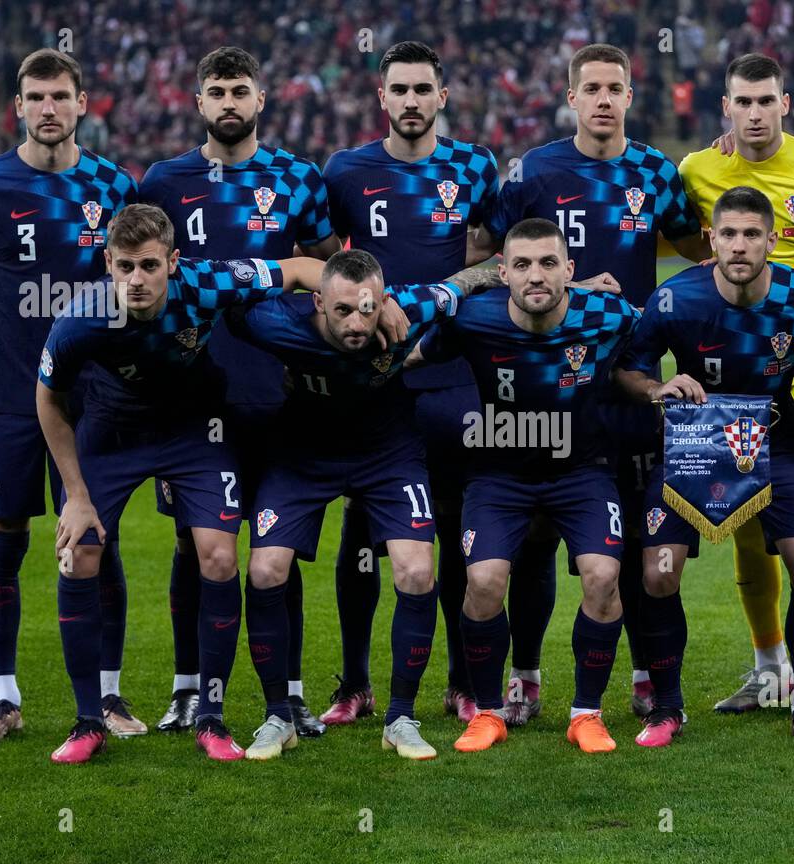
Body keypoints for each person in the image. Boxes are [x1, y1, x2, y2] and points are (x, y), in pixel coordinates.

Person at [36, 203, 336, 763]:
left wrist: (371, 297)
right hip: (113, 430)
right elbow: (48, 398)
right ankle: (87, 721)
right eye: (124, 266)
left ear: (174, 262)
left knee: (219, 558)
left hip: (196, 428)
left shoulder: (212, 282)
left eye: (149, 265)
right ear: (108, 263)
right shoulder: (83, 317)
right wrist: (76, 496)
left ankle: (212, 717)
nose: (136, 280)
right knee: (78, 554)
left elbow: (297, 269)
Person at [470, 43, 707, 723]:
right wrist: (557, 285)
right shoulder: (534, 172)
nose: (604, 99)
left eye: (615, 88)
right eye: (591, 88)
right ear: (570, 98)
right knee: (536, 535)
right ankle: (526, 675)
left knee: (633, 539)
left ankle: (640, 675)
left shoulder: (655, 172)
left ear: (631, 97)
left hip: (632, 377)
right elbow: (483, 257)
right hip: (546, 380)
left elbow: (699, 250)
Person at [0, 49, 138, 744]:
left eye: (60, 96)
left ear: (84, 105)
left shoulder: (116, 187)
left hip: (93, 401)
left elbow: (140, 288)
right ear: (17, 106)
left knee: (94, 540)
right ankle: (5, 698)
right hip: (9, 399)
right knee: (4, 539)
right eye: (35, 97)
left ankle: (109, 697)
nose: (48, 109)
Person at [230, 252, 506, 759]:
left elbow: (469, 280)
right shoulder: (273, 322)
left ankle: (401, 716)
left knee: (417, 571)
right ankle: (277, 716)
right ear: (317, 302)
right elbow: (220, 298)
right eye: (342, 313)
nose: (357, 324)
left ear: (385, 301)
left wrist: (582, 290)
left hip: (388, 454)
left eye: (368, 310)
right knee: (266, 570)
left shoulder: (410, 310)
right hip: (302, 456)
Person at [138, 46, 340, 737]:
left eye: (240, 91)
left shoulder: (298, 179)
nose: (229, 102)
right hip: (193, 398)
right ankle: (189, 688)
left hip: (283, 394)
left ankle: (289, 693)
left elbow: (326, 268)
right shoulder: (164, 181)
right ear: (198, 102)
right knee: (197, 548)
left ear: (262, 101)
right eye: (216, 91)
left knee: (276, 551)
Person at [319, 41, 504, 728]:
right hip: (369, 381)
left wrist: (453, 285)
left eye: (423, 89)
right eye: (399, 89)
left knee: (454, 526)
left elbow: (503, 248)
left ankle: (460, 681)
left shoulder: (472, 166)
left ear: (442, 97)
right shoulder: (347, 172)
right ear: (381, 97)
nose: (411, 101)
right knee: (362, 530)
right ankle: (356, 683)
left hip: (453, 376)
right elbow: (317, 258)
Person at [614, 186, 794, 748]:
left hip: (774, 446)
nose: (739, 246)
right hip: (693, 446)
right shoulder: (675, 299)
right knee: (658, 573)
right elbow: (629, 367)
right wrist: (659, 387)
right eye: (729, 234)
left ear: (772, 240)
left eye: (751, 235)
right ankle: (666, 709)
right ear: (711, 239)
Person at [679, 53, 794, 716]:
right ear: (725, 107)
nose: (754, 114)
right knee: (741, 520)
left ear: (787, 102)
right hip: (730, 380)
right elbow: (685, 245)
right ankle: (768, 666)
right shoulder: (698, 170)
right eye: (742, 102)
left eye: (766, 101)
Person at [410, 218, 637, 754]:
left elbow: (661, 342)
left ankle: (587, 715)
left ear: (570, 270)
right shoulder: (473, 317)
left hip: (583, 471)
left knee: (604, 577)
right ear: (503, 273)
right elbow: (411, 353)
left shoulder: (609, 314)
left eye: (549, 263)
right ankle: (488, 712)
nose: (536, 275)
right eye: (523, 265)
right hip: (497, 475)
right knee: (484, 581)